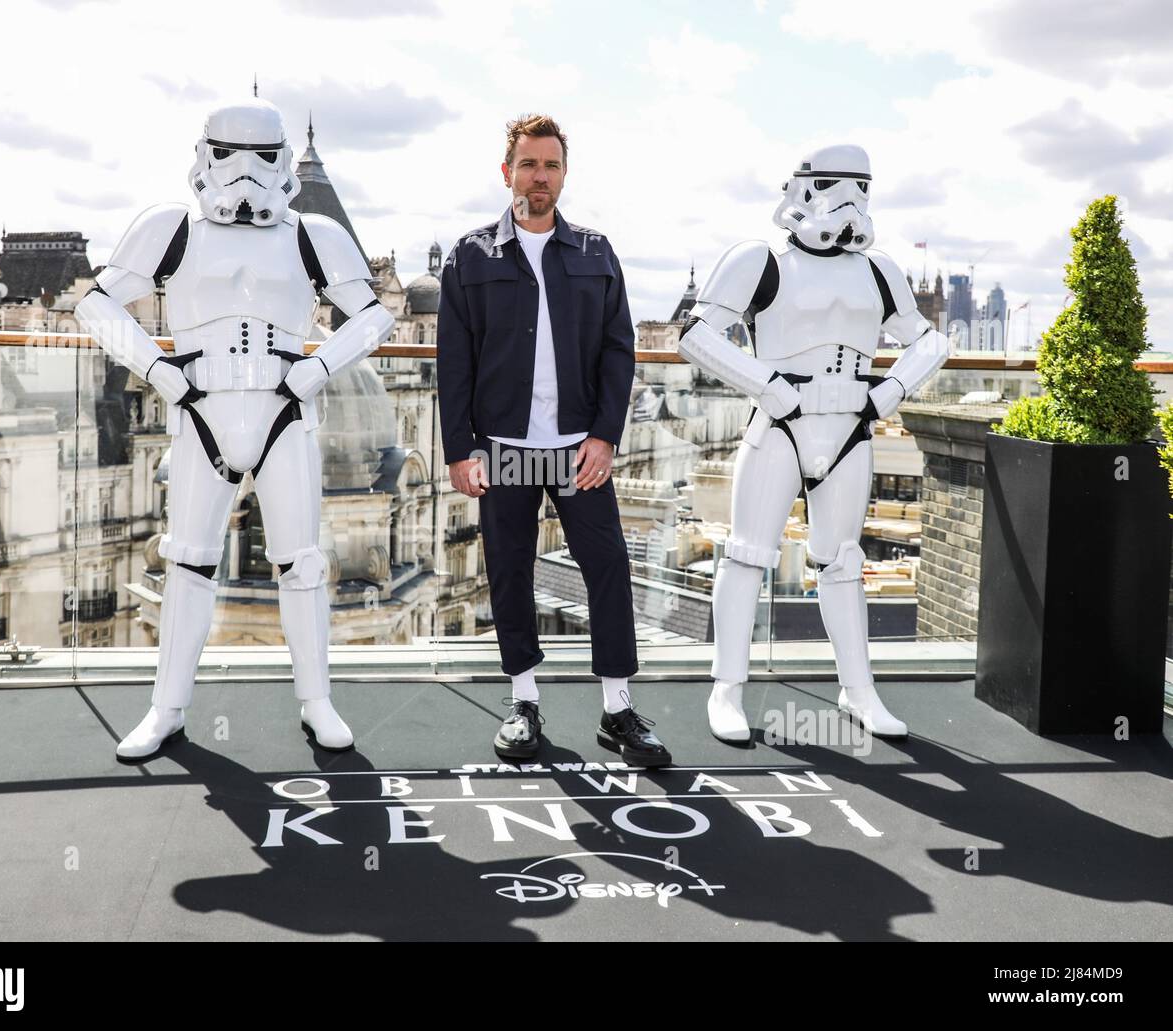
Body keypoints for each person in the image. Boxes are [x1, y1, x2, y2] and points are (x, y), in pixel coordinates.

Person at [75, 98, 394, 760]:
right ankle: (167, 707)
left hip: (280, 408)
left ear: (281, 160)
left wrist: (318, 367)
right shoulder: (171, 228)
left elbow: (374, 317)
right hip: (204, 407)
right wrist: (159, 370)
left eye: (261, 155)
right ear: (205, 156)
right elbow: (94, 302)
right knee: (188, 560)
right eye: (230, 154)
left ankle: (316, 699)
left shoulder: (311, 235)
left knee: (301, 563)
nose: (245, 172)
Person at [677, 143, 951, 744]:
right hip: (780, 425)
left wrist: (890, 391)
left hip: (851, 428)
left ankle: (860, 691)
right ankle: (727, 687)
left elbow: (929, 342)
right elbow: (697, 336)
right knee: (748, 555)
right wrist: (768, 385)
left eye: (861, 186)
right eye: (836, 184)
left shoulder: (879, 270)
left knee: (843, 563)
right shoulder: (759, 259)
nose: (849, 199)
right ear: (803, 188)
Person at [436, 114, 671, 767]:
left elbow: (619, 351)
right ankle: (524, 701)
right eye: (529, 163)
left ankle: (618, 709)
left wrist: (605, 437)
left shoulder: (595, 253)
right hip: (503, 446)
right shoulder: (469, 256)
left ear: (564, 173)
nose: (540, 176)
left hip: (579, 449)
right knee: (509, 569)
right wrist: (459, 448)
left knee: (608, 568)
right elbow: (452, 361)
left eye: (552, 165)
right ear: (506, 169)